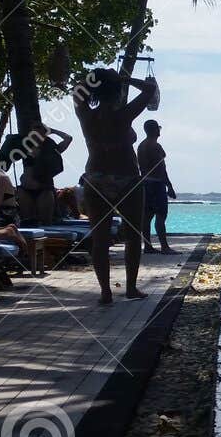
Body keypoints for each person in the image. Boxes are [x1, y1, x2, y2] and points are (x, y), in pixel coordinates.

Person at [73, 67, 156, 305]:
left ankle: (105, 292)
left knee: (100, 239)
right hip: (126, 178)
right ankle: (130, 288)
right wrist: (125, 78)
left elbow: (76, 90)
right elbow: (150, 89)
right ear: (117, 91)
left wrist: (99, 77)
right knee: (133, 236)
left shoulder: (86, 115)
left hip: (96, 177)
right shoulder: (124, 114)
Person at [12, 123, 72, 226]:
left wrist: (52, 130)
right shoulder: (24, 146)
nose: (35, 132)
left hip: (44, 189)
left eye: (38, 129)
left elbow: (68, 138)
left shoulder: (52, 149)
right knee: (27, 222)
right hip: (25, 189)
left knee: (46, 222)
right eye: (33, 130)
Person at [137, 120, 177, 254]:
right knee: (161, 214)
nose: (160, 130)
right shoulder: (155, 146)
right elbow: (161, 168)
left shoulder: (141, 146)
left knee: (147, 216)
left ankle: (147, 246)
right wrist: (169, 186)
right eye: (158, 128)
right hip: (156, 183)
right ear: (154, 130)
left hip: (145, 183)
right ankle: (164, 247)